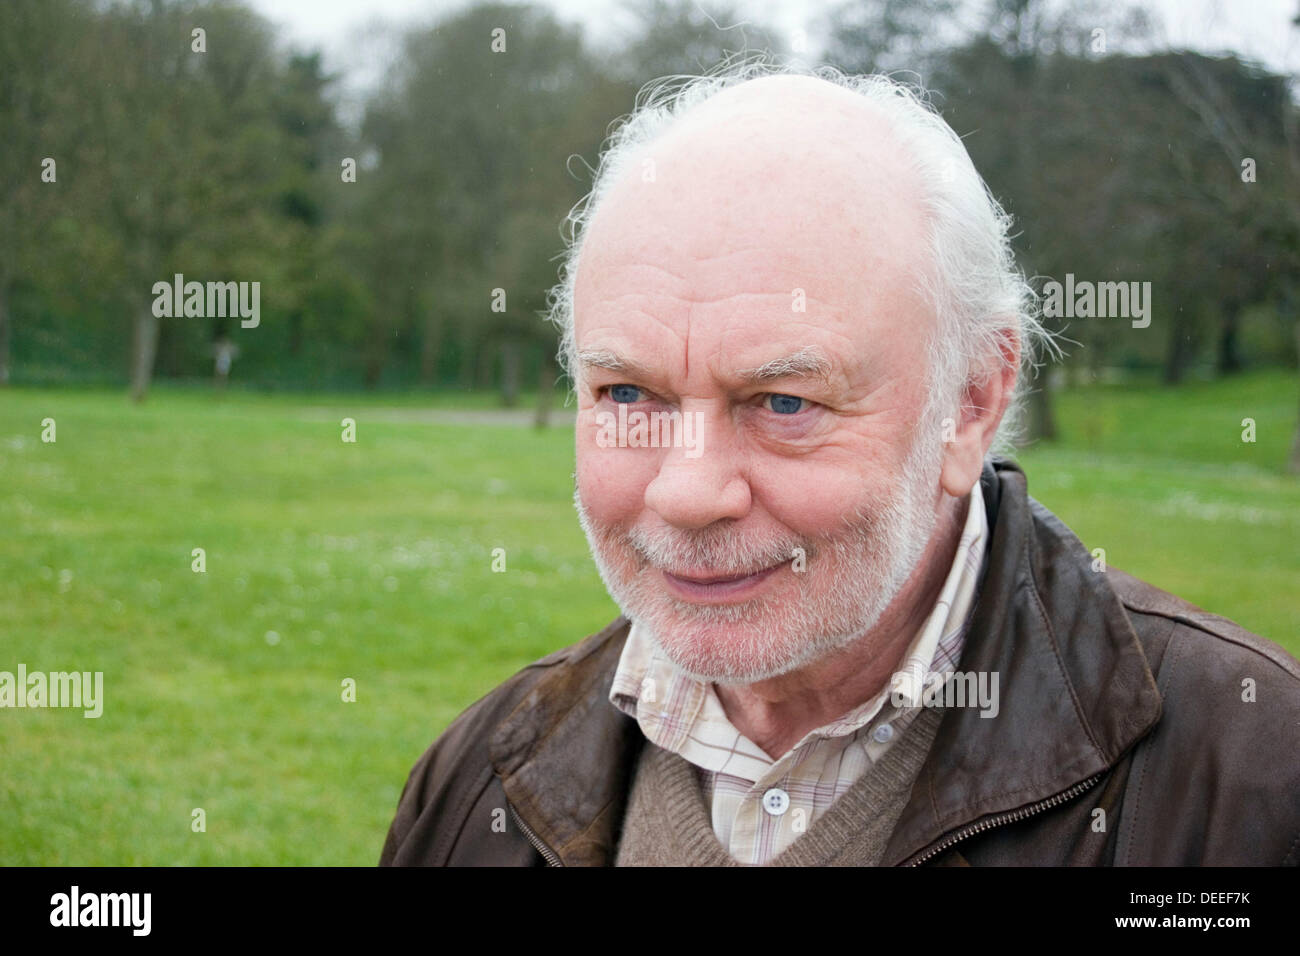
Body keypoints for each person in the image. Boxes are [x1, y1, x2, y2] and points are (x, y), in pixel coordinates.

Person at [380, 63, 1300, 866]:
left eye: (785, 403)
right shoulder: (474, 786)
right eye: (629, 395)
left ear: (971, 401)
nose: (689, 492)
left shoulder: (1253, 781)